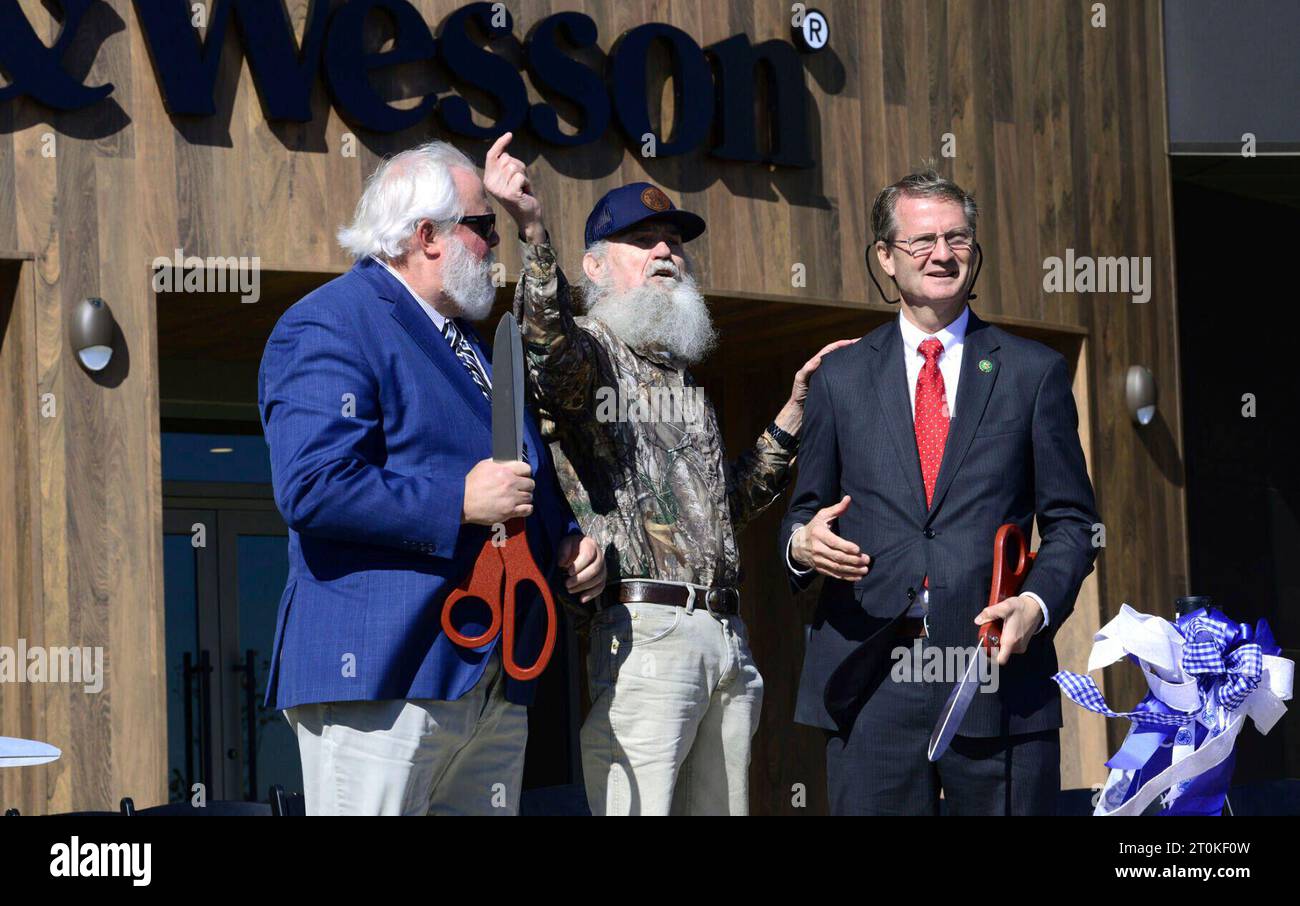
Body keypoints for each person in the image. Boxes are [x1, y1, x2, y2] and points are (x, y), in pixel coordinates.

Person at [482, 132, 851, 815]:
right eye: (641, 239)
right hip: (644, 635)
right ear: (594, 266)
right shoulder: (590, 356)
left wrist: (793, 414)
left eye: (674, 242)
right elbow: (545, 349)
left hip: (724, 637)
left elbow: (721, 512)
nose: (664, 251)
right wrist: (532, 229)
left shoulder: (680, 377)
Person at [258, 141, 605, 815]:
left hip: (492, 678)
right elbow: (313, 484)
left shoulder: (475, 347)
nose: (494, 244)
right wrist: (459, 501)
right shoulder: (330, 322)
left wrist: (565, 541)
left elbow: (519, 477)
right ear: (427, 236)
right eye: (484, 227)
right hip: (382, 673)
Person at [779, 168, 1100, 815]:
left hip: (996, 673)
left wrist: (1035, 604)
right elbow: (802, 514)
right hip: (870, 678)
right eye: (922, 240)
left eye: (957, 238)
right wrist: (801, 544)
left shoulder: (1033, 373)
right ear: (885, 258)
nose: (942, 254)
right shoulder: (839, 378)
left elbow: (1073, 523)